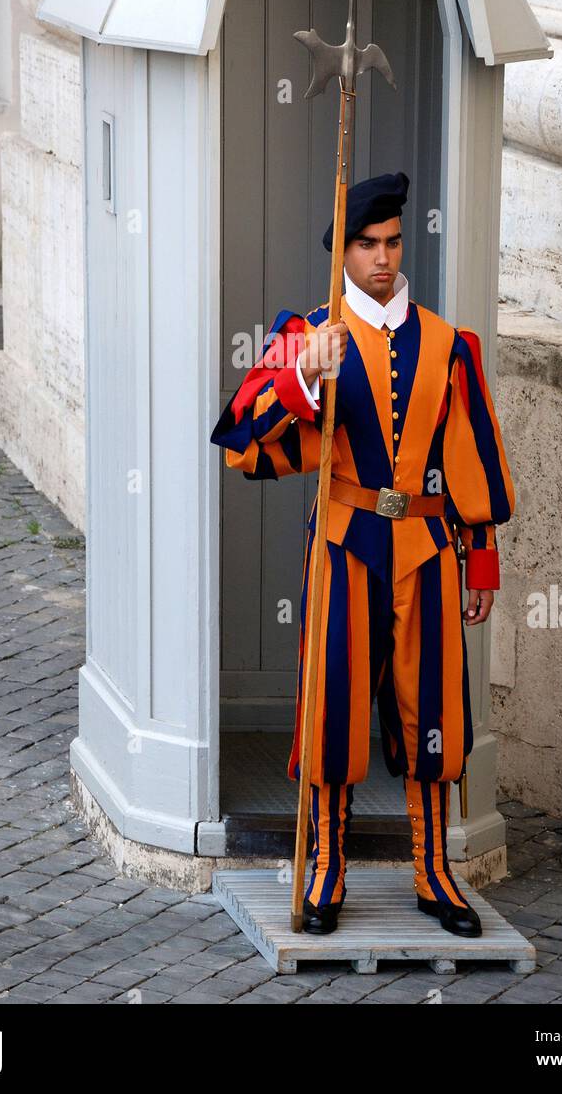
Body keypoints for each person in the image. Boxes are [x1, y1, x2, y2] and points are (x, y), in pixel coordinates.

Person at [210, 172, 515, 937]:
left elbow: (473, 454)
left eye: (391, 242)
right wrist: (303, 372)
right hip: (345, 542)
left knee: (435, 708)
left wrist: (480, 559)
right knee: (335, 707)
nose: (383, 258)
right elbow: (245, 445)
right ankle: (328, 865)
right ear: (342, 251)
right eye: (366, 244)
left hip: (427, 544)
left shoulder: (449, 344)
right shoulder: (307, 333)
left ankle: (433, 869)